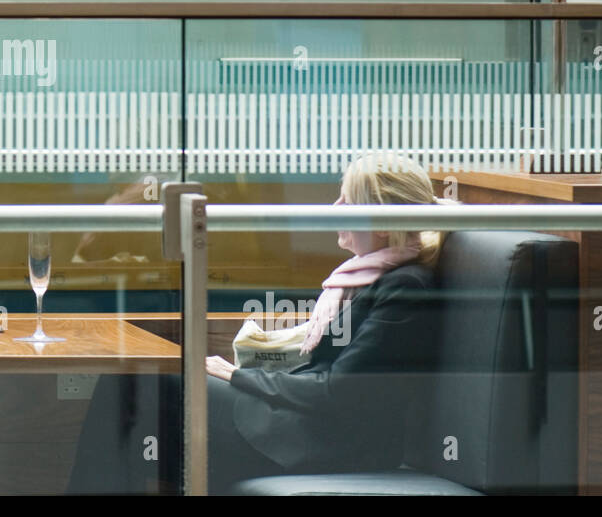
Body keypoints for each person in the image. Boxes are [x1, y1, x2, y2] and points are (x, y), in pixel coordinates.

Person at [66, 150, 451, 494]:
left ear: (382, 220)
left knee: (143, 383)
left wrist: (237, 376)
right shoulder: (369, 277)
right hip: (300, 427)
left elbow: (339, 394)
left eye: (347, 200)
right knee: (137, 382)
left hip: (318, 444)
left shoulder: (405, 287)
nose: (335, 207)